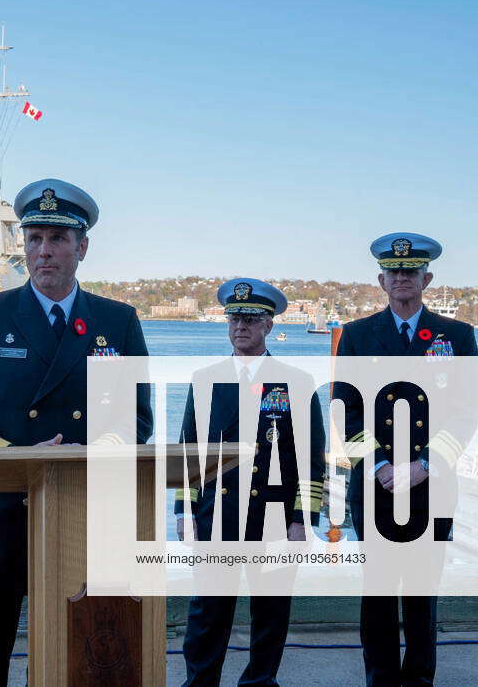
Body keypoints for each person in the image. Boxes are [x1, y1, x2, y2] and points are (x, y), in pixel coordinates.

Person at [0, 178, 153, 686]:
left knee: (80, 659)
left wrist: (87, 452)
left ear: (82, 247)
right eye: (34, 239)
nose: (44, 251)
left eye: (57, 239)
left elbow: (136, 420)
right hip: (0, 513)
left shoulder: (117, 322)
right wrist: (20, 457)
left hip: (83, 514)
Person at [335, 233, 478, 686]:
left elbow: (466, 410)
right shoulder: (357, 336)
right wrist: (379, 465)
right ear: (381, 280)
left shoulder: (456, 336)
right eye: (394, 272)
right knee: (377, 594)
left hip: (431, 487)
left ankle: (418, 680)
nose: (402, 278)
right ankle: (379, 679)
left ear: (426, 278)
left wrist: (424, 466)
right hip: (375, 488)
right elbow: (345, 409)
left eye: (410, 271)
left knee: (421, 596)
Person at [176, 278, 325, 687]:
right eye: (235, 318)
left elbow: (311, 459)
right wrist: (184, 511)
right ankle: (199, 682)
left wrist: (302, 519)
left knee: (270, 612)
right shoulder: (205, 379)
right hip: (217, 514)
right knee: (207, 612)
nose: (240, 325)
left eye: (251, 318)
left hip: (273, 515)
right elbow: (189, 451)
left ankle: (259, 682)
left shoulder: (295, 382)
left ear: (268, 326)